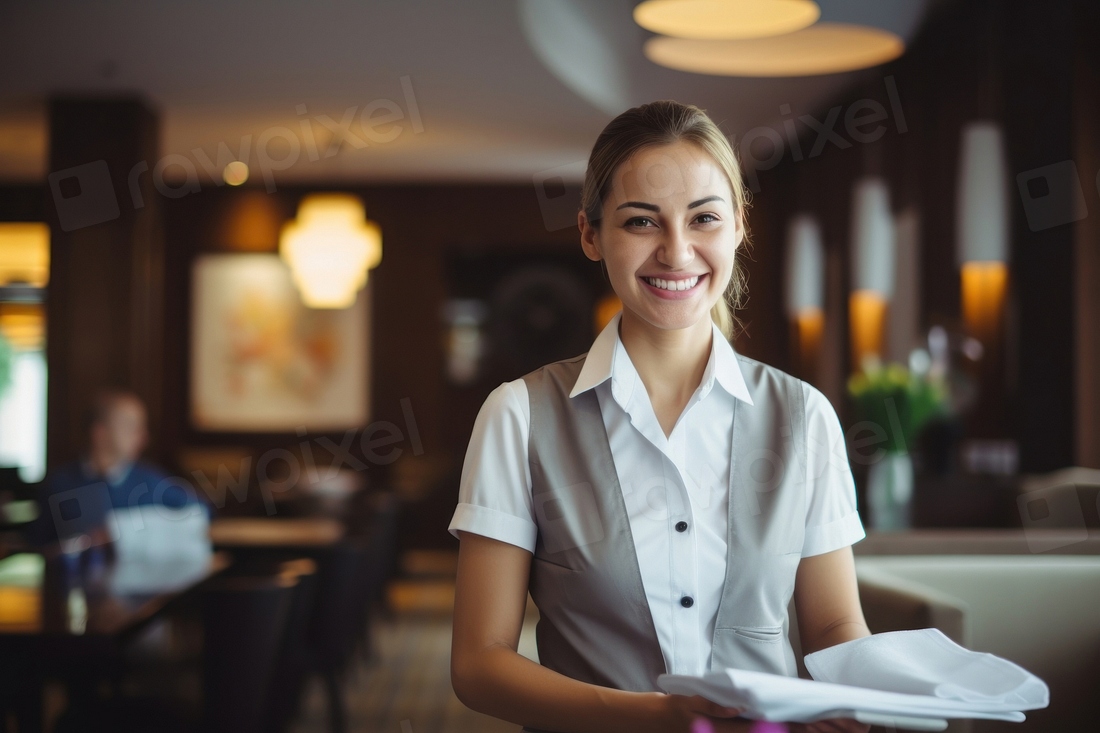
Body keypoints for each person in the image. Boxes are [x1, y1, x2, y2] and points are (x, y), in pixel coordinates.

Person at [448, 101, 872, 733]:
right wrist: (656, 718)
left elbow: (836, 628)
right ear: (591, 235)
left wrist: (869, 696)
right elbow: (479, 664)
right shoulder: (519, 416)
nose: (676, 253)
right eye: (642, 222)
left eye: (703, 218)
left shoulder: (804, 416)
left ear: (737, 229)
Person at [31, 388, 208, 549]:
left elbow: (201, 512)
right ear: (100, 433)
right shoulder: (60, 483)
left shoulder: (151, 482)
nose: (144, 437)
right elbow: (40, 544)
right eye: (132, 428)